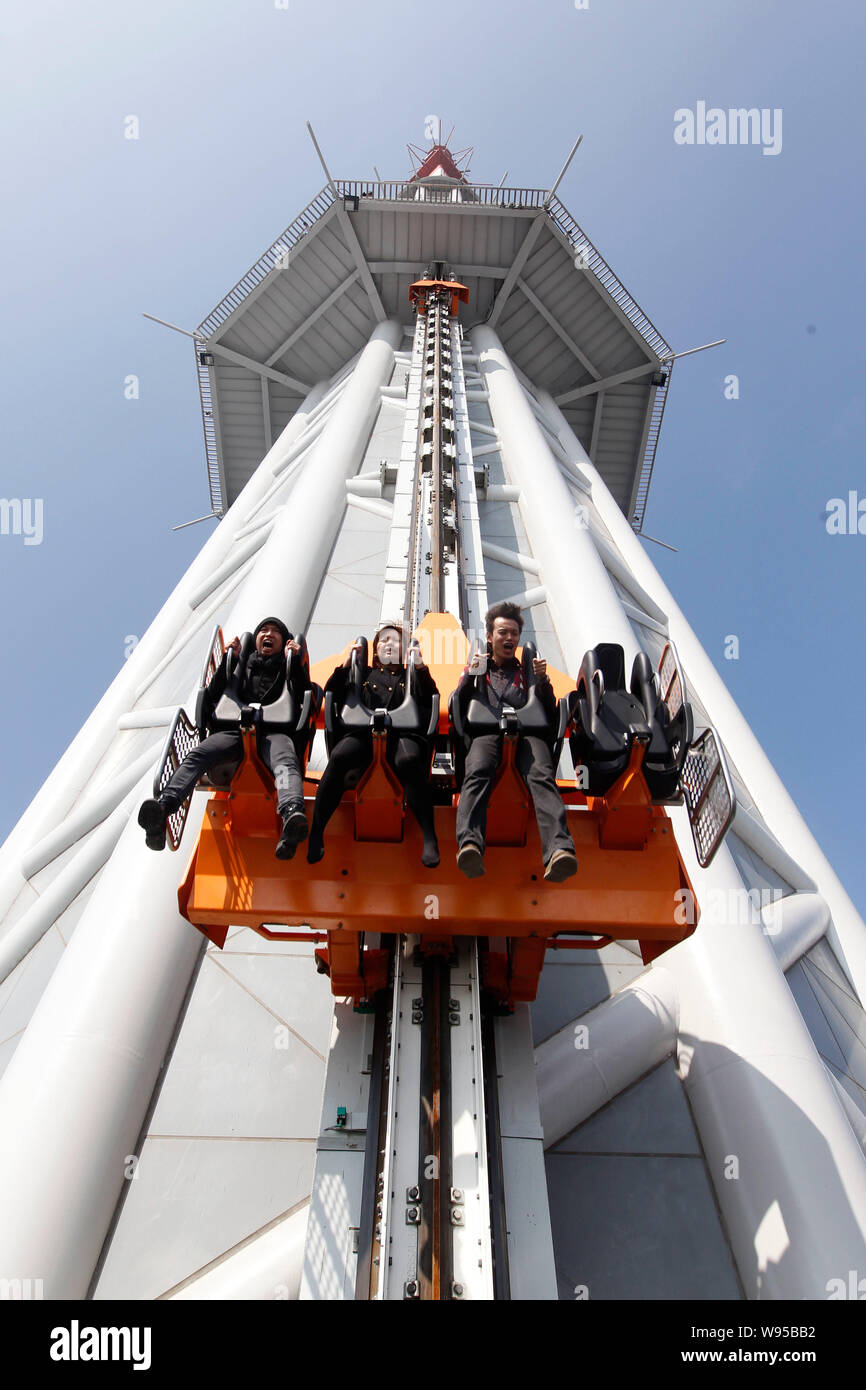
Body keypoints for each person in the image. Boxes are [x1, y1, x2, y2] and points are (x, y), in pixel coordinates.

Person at [138, 617, 309, 859]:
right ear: (256, 640)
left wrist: (297, 662)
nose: (268, 634)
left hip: (274, 733)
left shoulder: (288, 667)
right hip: (233, 730)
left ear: (284, 641)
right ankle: (164, 807)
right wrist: (230, 659)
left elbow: (304, 695)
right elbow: (214, 694)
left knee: (285, 763)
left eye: (275, 632)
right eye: (263, 630)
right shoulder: (240, 665)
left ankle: (291, 813)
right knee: (199, 754)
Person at [454, 601, 577, 882]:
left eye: (514, 633)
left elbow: (549, 711)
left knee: (542, 775)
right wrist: (471, 676)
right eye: (502, 632)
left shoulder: (527, 673)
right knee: (478, 770)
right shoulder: (478, 669)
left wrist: (543, 681)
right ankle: (470, 844)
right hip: (486, 732)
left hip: (527, 734)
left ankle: (559, 849)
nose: (509, 638)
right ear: (490, 637)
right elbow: (458, 701)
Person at [308, 621, 440, 867]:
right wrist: (345, 666)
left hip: (401, 737)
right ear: (376, 649)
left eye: (396, 641)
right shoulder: (364, 676)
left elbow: (430, 697)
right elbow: (332, 693)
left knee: (409, 760)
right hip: (363, 735)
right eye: (384, 641)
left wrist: (421, 668)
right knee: (340, 756)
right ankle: (317, 831)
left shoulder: (409, 676)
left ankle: (429, 836)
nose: (389, 644)